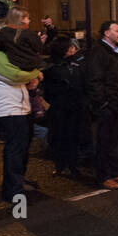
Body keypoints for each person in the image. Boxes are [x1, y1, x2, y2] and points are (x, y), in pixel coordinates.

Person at [0, 20, 43, 203]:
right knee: (14, 150)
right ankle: (13, 191)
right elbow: (15, 75)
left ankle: (17, 184)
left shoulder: (2, 54)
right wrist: (35, 74)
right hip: (8, 108)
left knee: (19, 149)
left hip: (17, 106)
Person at [85, 20, 118, 190]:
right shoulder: (99, 53)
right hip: (108, 105)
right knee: (104, 142)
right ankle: (104, 176)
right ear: (107, 33)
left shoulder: (117, 52)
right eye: (117, 30)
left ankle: (115, 172)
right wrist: (103, 103)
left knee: (115, 141)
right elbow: (95, 80)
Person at [44, 36, 85, 178]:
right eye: (70, 47)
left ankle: (73, 165)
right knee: (60, 137)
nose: (73, 49)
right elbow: (48, 90)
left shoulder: (76, 65)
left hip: (75, 107)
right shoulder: (52, 67)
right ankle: (60, 164)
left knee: (73, 136)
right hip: (59, 108)